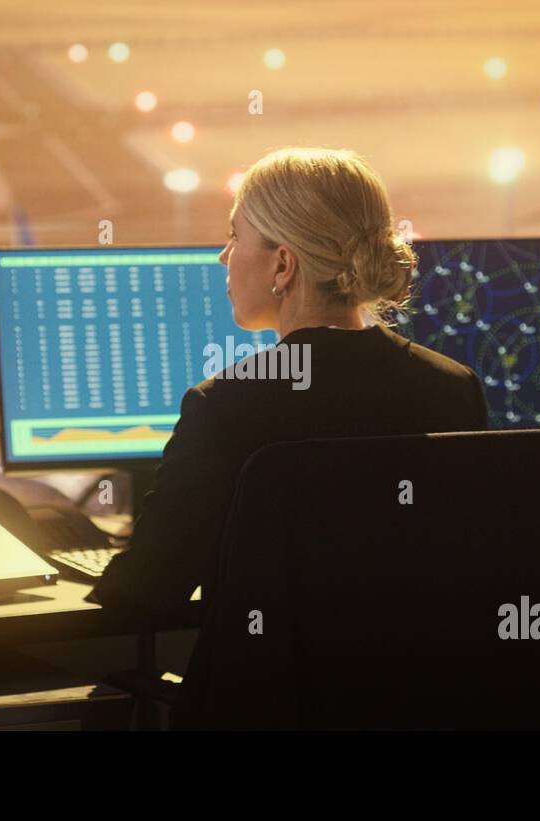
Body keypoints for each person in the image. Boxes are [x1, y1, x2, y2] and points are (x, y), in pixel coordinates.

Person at [91, 146, 488, 618]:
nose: (223, 257)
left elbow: (147, 591)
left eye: (234, 237)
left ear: (283, 265)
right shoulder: (452, 388)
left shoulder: (224, 408)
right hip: (416, 687)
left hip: (262, 690)